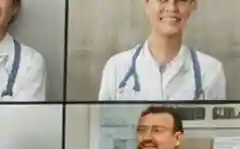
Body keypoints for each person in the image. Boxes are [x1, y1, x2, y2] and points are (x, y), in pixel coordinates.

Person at [97, 0, 226, 102]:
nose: (172, 8)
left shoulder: (210, 71)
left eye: (181, 0)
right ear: (147, 4)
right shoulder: (116, 68)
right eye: (162, 0)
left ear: (193, 5)